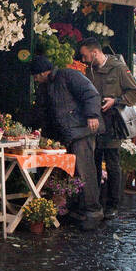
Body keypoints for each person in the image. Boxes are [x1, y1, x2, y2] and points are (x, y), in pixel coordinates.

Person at [28, 55, 105, 231]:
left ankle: (93, 211)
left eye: (36, 75)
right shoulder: (44, 86)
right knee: (67, 173)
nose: (35, 78)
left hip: (79, 131)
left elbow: (90, 93)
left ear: (44, 72)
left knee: (84, 171)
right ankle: (75, 209)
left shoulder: (67, 75)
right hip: (63, 134)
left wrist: (92, 115)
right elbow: (41, 111)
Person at [78, 38, 136, 221]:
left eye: (84, 55)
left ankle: (113, 204)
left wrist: (116, 101)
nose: (83, 59)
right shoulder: (88, 70)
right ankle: (95, 202)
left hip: (112, 123)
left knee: (112, 164)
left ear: (95, 52)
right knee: (94, 163)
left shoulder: (118, 68)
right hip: (94, 124)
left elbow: (134, 92)